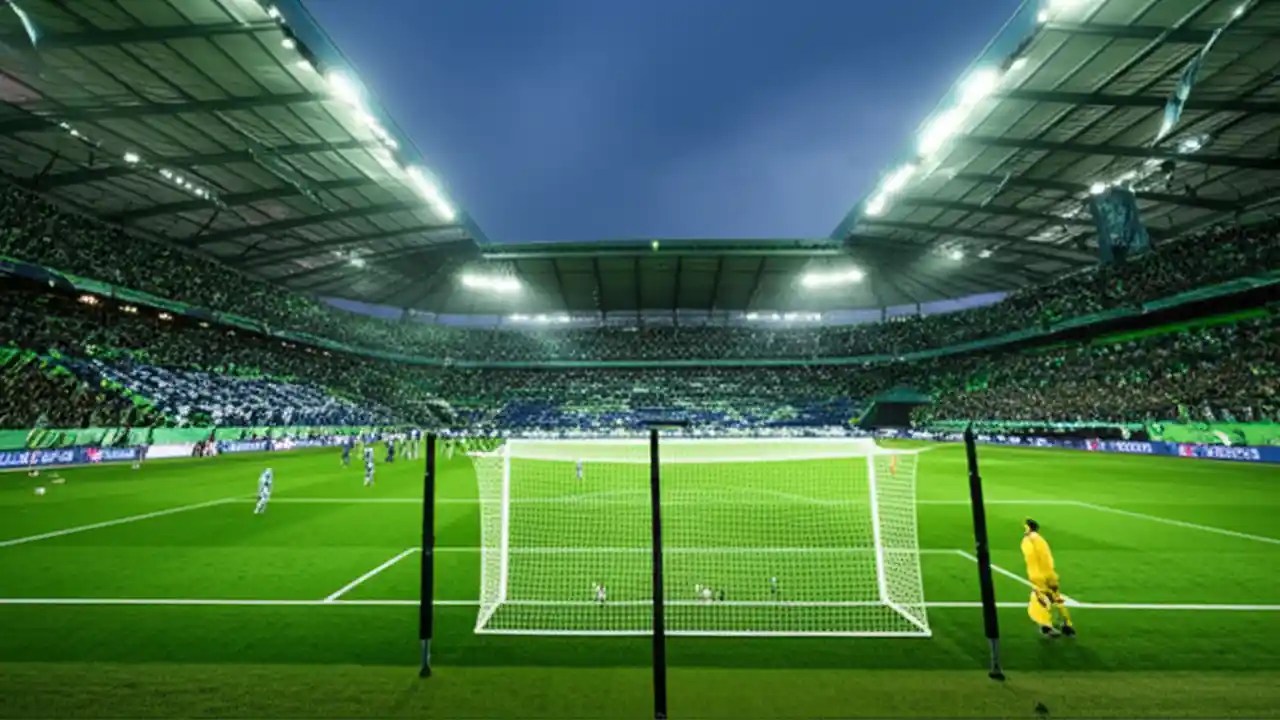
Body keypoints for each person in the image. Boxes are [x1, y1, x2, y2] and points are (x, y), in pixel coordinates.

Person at [1021, 518, 1076, 637]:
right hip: (1050, 574)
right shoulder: (1041, 540)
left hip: (1038, 576)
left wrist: (1037, 575)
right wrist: (1052, 575)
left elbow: (1031, 557)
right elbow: (1047, 558)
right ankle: (1067, 624)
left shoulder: (1028, 541)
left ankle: (1046, 626)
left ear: (1029, 527)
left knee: (1040, 600)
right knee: (1056, 598)